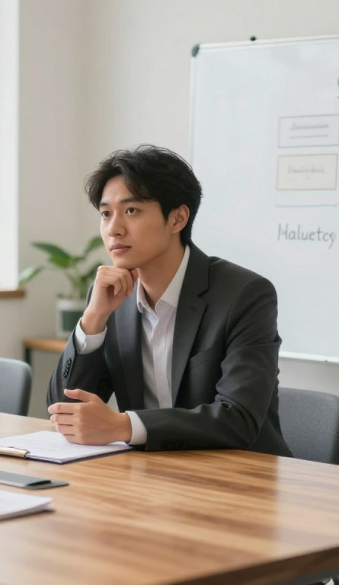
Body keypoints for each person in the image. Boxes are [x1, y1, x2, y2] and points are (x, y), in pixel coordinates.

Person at [47, 145, 292, 456]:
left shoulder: (244, 294)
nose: (113, 229)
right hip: (152, 476)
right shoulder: (110, 299)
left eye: (131, 211)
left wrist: (124, 426)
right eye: (106, 213)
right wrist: (93, 319)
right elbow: (63, 412)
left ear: (177, 219)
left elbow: (238, 419)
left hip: (238, 477)